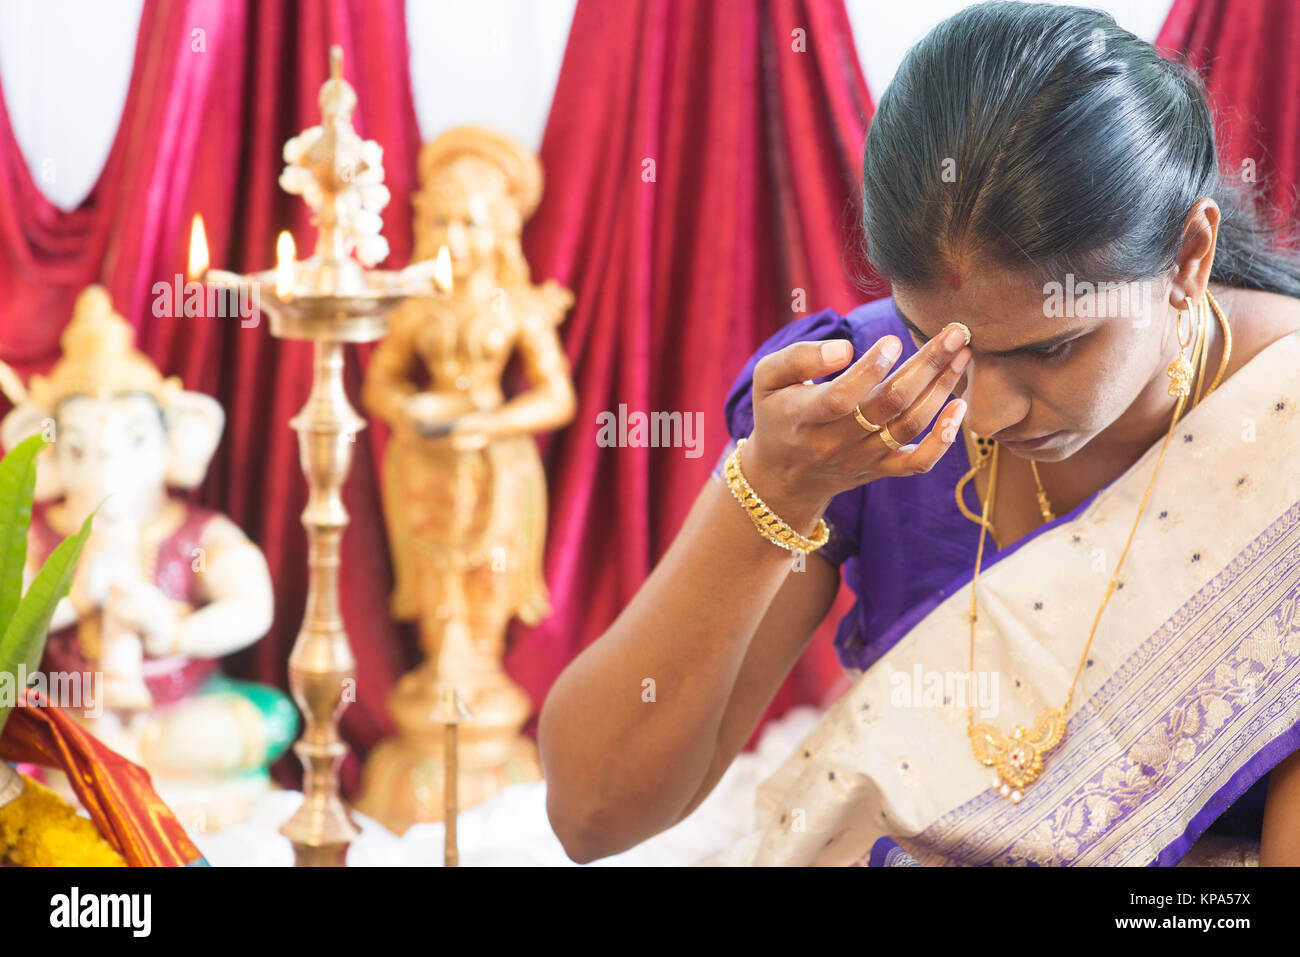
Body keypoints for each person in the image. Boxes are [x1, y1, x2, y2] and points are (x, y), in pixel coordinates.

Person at [538, 1, 1300, 865]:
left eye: (1052, 347)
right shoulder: (864, 398)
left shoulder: (1288, 429)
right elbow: (593, 813)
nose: (981, 413)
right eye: (940, 340)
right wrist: (773, 490)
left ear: (1189, 258)